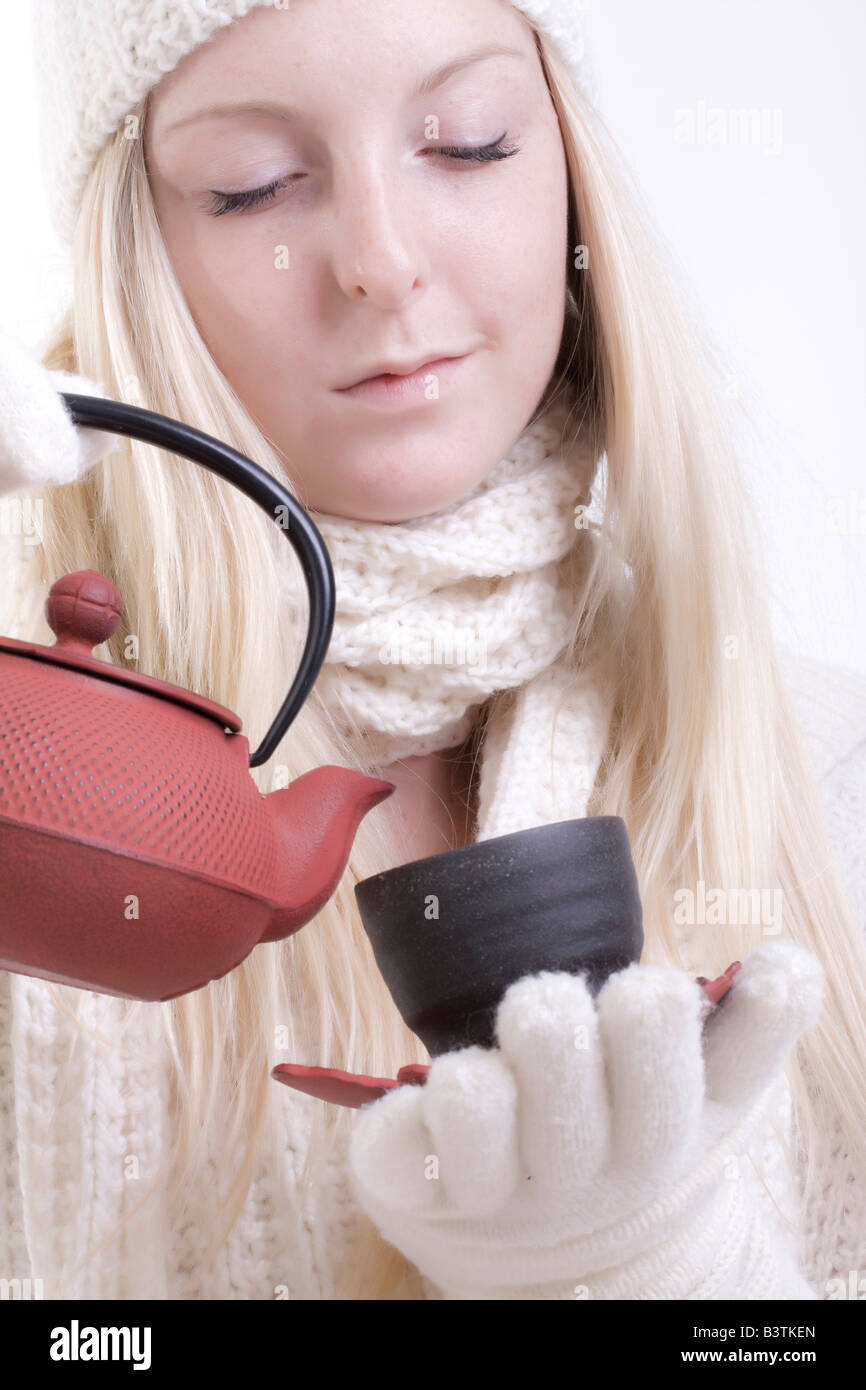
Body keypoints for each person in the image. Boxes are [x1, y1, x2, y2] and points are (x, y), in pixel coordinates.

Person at [0, 0, 863, 1300]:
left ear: (566, 165)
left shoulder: (826, 769)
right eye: (253, 186)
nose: (379, 261)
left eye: (464, 143)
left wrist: (656, 1271)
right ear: (142, 246)